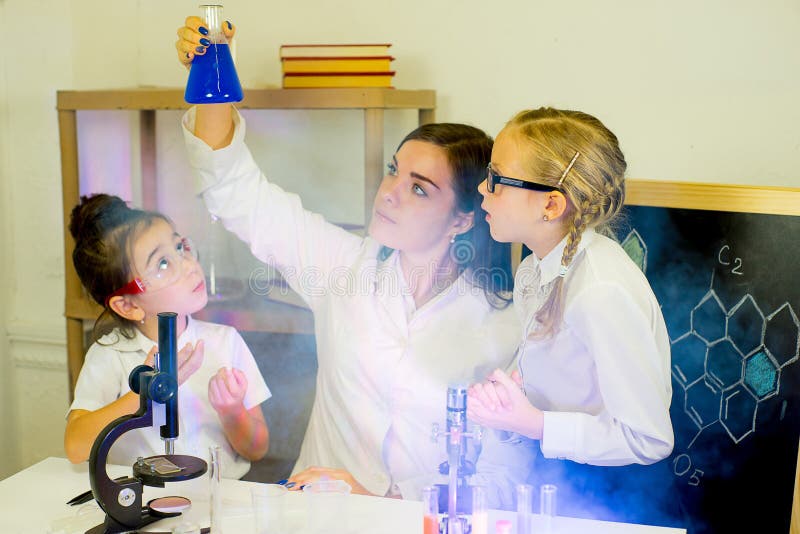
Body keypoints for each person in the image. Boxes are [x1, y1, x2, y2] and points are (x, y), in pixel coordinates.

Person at [174, 18, 520, 499]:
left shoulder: (503, 324)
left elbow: (503, 476)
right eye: (393, 172)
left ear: (463, 220)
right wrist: (212, 66)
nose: (390, 193)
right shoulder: (342, 268)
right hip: (312, 513)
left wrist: (382, 498)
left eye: (419, 188)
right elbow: (232, 189)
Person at [468, 108, 681, 526]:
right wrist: (511, 399)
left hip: (617, 500)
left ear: (551, 204)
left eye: (495, 178)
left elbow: (649, 439)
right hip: (557, 478)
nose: (481, 187)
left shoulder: (599, 290)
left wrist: (533, 423)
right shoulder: (534, 268)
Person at [64, 193, 270, 479]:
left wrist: (232, 410)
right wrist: (143, 395)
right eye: (162, 263)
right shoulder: (109, 355)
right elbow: (75, 446)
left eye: (180, 247)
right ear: (129, 305)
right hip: (144, 502)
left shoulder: (225, 342)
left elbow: (257, 449)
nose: (188, 265)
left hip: (222, 500)